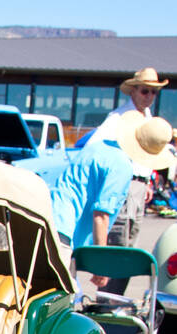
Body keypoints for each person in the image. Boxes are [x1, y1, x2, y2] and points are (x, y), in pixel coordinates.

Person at [47, 117, 173, 285]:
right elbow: (101, 216)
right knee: (62, 293)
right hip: (64, 233)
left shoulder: (100, 146)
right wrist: (101, 265)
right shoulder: (122, 167)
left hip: (51, 218)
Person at [87, 67, 169, 289]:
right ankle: (108, 299)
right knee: (119, 241)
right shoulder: (118, 118)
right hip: (124, 182)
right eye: (145, 91)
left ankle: (115, 297)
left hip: (139, 185)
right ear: (133, 91)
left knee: (130, 242)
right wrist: (123, 170)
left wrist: (148, 179)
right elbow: (95, 146)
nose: (149, 96)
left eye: (153, 92)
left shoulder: (147, 117)